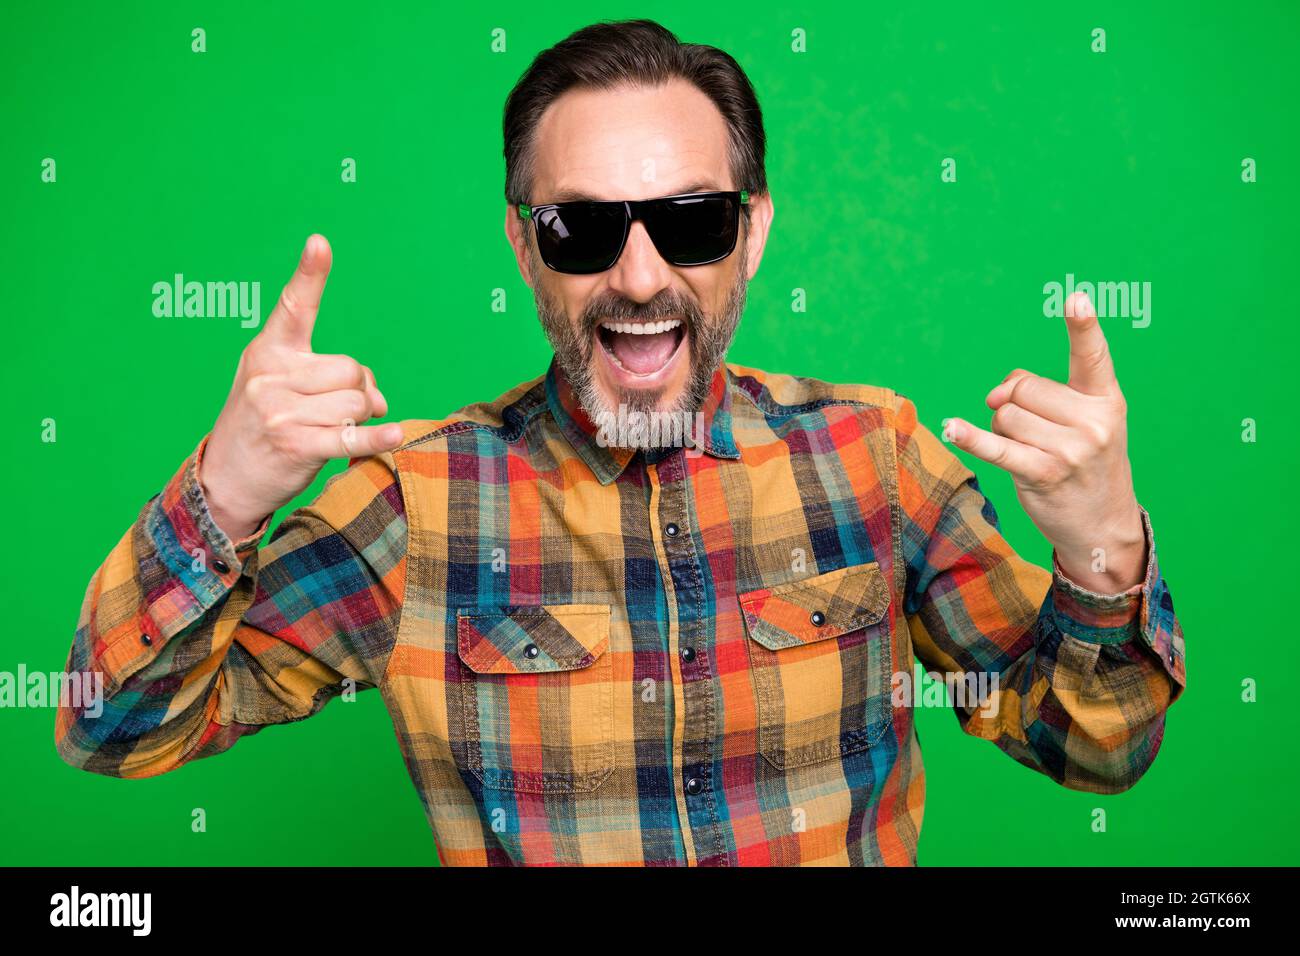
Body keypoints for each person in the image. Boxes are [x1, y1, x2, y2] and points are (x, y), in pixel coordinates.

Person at [55, 19, 1185, 866]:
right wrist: (227, 492)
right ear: (523, 244)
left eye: (691, 221)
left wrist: (1098, 552)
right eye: (584, 228)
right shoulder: (419, 502)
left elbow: (1094, 749)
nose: (640, 278)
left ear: (751, 233)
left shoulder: (871, 455)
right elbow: (112, 728)